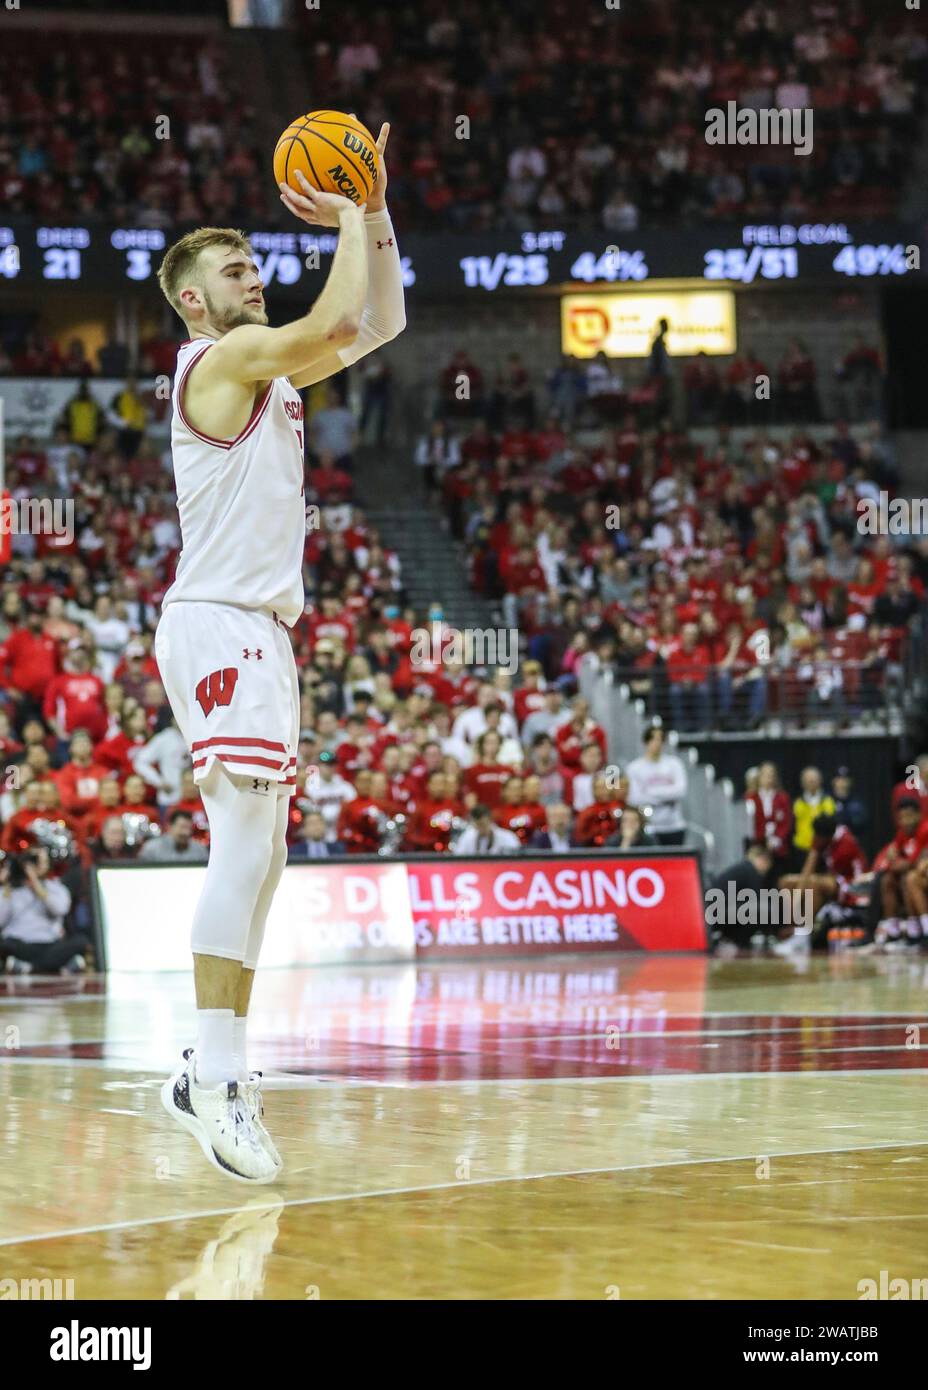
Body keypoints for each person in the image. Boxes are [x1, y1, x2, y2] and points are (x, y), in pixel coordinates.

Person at [153, 121, 405, 1183]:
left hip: (258, 629)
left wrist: (378, 205)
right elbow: (341, 309)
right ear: (195, 301)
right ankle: (215, 1078)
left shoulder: (271, 365)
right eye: (234, 269)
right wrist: (345, 211)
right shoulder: (223, 356)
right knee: (243, 839)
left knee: (265, 859)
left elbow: (377, 320)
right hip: (217, 617)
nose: (254, 274)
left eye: (254, 262)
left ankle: (208, 1071)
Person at [0, 847, 84, 975]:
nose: (36, 864)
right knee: (6, 944)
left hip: (50, 944)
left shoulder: (56, 887)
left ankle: (28, 967)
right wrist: (5, 885)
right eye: (33, 860)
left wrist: (35, 883)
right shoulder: (10, 890)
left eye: (40, 861)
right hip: (21, 944)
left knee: (79, 941)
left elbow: (59, 910)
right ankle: (57, 966)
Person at [707, 842, 774, 955]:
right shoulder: (750, 869)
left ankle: (730, 939)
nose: (765, 872)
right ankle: (738, 942)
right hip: (719, 913)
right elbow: (757, 899)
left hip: (715, 913)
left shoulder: (741, 868)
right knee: (764, 909)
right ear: (762, 859)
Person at [625, 726, 688, 845]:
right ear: (646, 742)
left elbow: (680, 791)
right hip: (649, 827)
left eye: (660, 740)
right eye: (654, 739)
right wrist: (667, 795)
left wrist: (650, 792)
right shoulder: (634, 767)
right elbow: (634, 798)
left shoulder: (674, 764)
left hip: (674, 825)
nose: (657, 744)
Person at [137, 810, 209, 864]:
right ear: (169, 826)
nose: (186, 833)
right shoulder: (152, 848)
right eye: (182, 827)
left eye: (189, 828)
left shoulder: (200, 849)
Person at [452, 804, 521, 856]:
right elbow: (458, 859)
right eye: (477, 825)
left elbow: (516, 859)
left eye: (482, 824)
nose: (480, 828)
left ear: (490, 820)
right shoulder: (467, 837)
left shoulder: (507, 837)